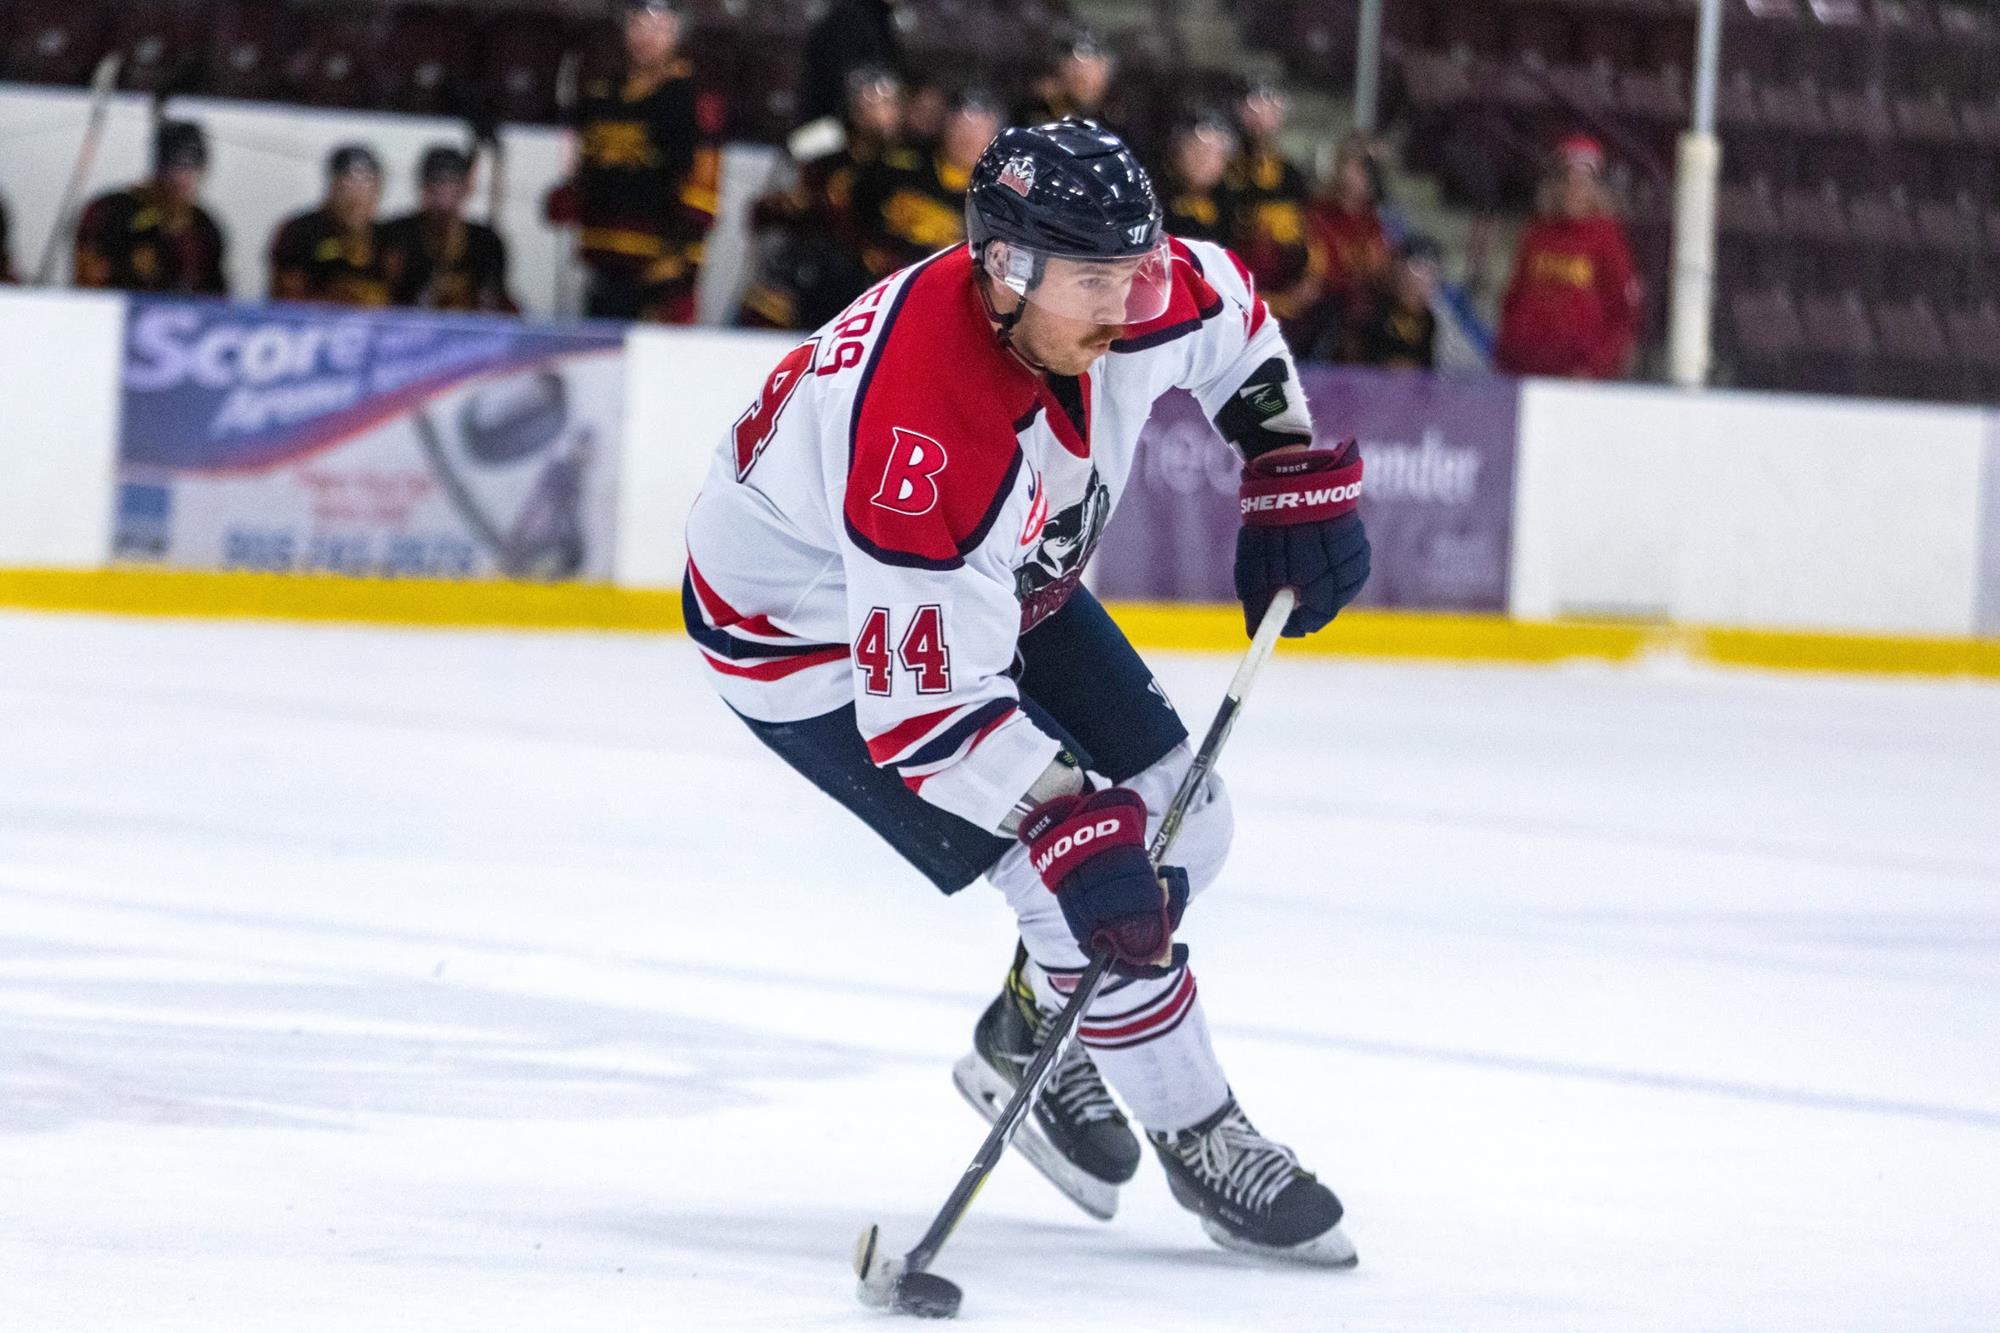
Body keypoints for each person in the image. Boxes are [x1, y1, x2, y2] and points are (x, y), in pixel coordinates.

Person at [683, 122, 1369, 1263]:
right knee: (1070, 883)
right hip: (813, 639)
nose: (1128, 303)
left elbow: (1236, 322)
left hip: (995, 577)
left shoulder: (1133, 288)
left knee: (1187, 824)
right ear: (1003, 268)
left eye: (1135, 268)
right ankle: (1201, 1135)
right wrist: (1065, 824)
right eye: (1095, 281)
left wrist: (1283, 463)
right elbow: (924, 711)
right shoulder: (922, 424)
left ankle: (1027, 1031)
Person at [567, 0, 721, 322]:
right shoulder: (601, 94)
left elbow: (703, 185)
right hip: (604, 257)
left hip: (660, 267)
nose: (647, 37)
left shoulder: (692, 99)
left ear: (678, 33)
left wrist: (679, 254)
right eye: (639, 24)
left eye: (660, 27)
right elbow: (588, 165)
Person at [741, 66, 902, 330]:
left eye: (888, 104)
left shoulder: (907, 157)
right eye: (871, 103)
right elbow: (769, 207)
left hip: (870, 279)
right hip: (808, 267)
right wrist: (805, 204)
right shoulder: (820, 142)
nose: (880, 113)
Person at [1495, 134, 1640, 379]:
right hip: (1524, 371)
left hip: (1578, 378)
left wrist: (1595, 368)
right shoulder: (1536, 234)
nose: (1574, 189)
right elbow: (1514, 295)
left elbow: (1622, 313)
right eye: (1568, 180)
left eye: (1582, 182)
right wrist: (1507, 354)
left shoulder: (1607, 237)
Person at [850, 88, 999, 278]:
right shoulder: (900, 168)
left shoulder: (995, 200)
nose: (968, 137)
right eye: (960, 126)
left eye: (979, 130)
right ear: (945, 126)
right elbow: (856, 213)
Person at [73, 120, 228, 295]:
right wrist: (127, 268)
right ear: (158, 168)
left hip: (183, 311)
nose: (181, 179)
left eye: (190, 171)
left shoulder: (204, 228)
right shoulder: (111, 211)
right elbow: (87, 280)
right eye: (174, 169)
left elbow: (218, 297)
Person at [1223, 81, 1316, 350]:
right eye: (1255, 110)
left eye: (1271, 111)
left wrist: (1308, 279)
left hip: (1285, 298)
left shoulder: (1292, 174)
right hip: (1234, 296)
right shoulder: (1225, 171)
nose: (1262, 120)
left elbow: (1307, 233)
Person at [380, 145, 518, 313]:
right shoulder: (398, 234)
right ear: (423, 187)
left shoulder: (486, 241)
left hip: (468, 327)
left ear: (466, 189)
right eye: (436, 182)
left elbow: (497, 301)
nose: (443, 193)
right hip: (408, 326)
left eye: (452, 184)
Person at [269, 144, 391, 306]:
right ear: (332, 187)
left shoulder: (388, 237)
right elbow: (286, 298)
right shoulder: (300, 231)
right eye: (347, 186)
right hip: (312, 320)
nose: (357, 197)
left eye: (367, 186)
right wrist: (337, 300)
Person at [1301, 135, 1389, 358]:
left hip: (1360, 314)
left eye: (1370, 168)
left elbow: (1378, 273)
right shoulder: (1317, 212)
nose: (1365, 174)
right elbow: (1315, 275)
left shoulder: (1374, 222)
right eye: (1358, 165)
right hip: (1322, 310)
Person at [798, 0, 905, 129]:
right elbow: (844, 81)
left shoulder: (879, 17)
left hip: (840, 122)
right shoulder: (848, 18)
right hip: (828, 124)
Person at [1340, 234, 1440, 370]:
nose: (1419, 291)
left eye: (1425, 284)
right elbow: (1354, 359)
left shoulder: (1427, 321)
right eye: (1411, 284)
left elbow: (1426, 366)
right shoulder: (1373, 313)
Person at [1015, 29, 1116, 132]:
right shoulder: (1036, 109)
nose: (1084, 80)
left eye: (1091, 70)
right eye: (1077, 77)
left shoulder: (1113, 114)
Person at [1157, 112, 1236, 244]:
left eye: (1212, 152)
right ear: (1177, 155)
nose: (1203, 159)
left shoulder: (1234, 209)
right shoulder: (1161, 208)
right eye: (1194, 150)